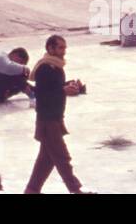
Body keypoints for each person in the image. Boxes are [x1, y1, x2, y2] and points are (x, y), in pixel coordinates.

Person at [24, 35, 90, 194]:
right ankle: (76, 190)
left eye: (64, 47)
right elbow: (42, 94)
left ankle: (32, 190)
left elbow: (55, 87)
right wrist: (62, 90)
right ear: (50, 48)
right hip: (48, 121)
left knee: (46, 160)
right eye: (60, 48)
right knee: (62, 158)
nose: (64, 51)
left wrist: (71, 86)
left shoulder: (56, 66)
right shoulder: (45, 68)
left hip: (55, 119)